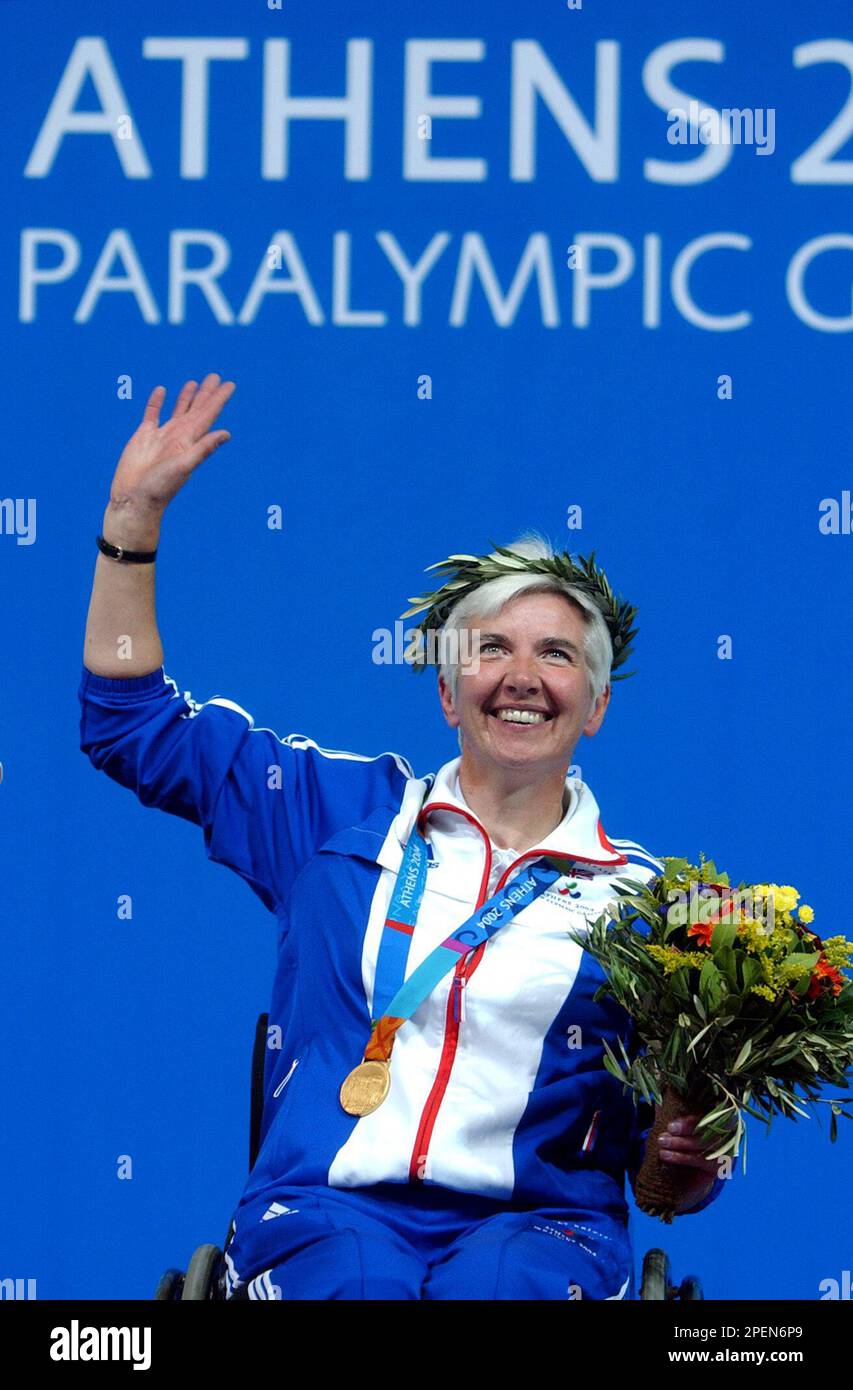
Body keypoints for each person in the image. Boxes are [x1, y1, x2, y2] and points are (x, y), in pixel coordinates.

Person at [79, 374, 727, 1301]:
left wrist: (686, 1158)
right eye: (492, 649)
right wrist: (131, 520)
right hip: (322, 1211)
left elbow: (666, 1185)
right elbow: (127, 723)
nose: (522, 676)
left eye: (556, 655)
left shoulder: (655, 909)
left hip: (543, 1230)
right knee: (353, 1285)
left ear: (595, 706)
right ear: (444, 691)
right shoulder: (330, 812)